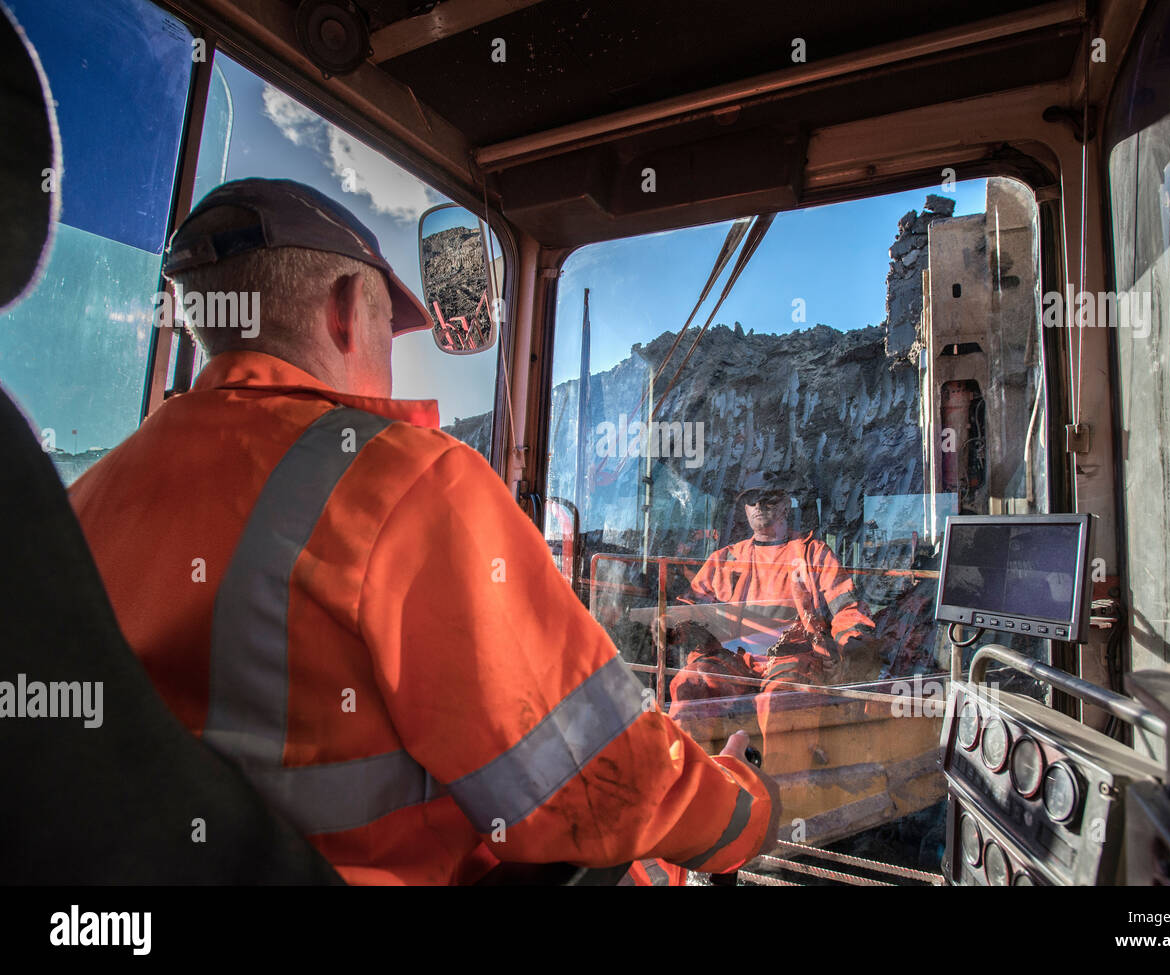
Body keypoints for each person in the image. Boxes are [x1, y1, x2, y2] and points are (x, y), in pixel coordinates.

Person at [67, 178, 778, 885]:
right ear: (347, 311)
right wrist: (744, 812)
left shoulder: (81, 501)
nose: (389, 357)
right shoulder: (402, 482)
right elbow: (595, 780)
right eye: (387, 329)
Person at [669, 470, 879, 713]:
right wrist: (674, 625)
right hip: (733, 658)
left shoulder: (814, 555)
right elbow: (694, 606)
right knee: (689, 685)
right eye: (752, 499)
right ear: (745, 508)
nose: (759, 505)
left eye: (768, 498)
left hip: (793, 658)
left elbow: (845, 607)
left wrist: (854, 641)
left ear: (785, 505)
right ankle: (686, 752)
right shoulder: (725, 558)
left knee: (781, 699)